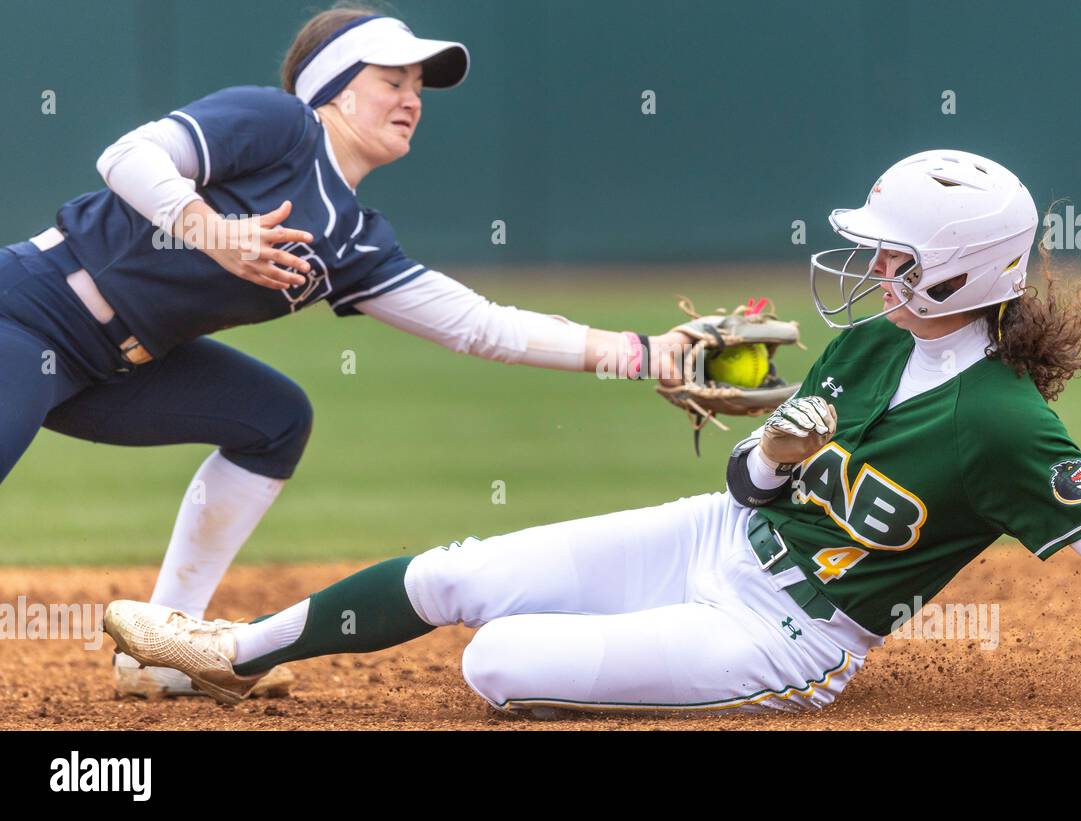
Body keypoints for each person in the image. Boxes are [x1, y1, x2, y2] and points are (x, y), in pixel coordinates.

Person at [104, 149, 1081, 724]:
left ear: (960, 270)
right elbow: (746, 483)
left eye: (894, 256)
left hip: (788, 638)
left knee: (496, 661)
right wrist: (767, 459)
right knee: (459, 575)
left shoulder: (1002, 419)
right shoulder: (870, 347)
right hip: (714, 536)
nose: (870, 270)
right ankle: (229, 656)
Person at [0, 6, 688, 698]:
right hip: (28, 314)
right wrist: (215, 232)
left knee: (274, 419)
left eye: (418, 85)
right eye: (393, 80)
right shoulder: (280, 124)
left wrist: (643, 352)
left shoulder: (356, 240)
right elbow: (127, 157)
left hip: (113, 369)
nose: (412, 99)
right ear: (338, 86)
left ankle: (165, 644)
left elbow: (482, 327)